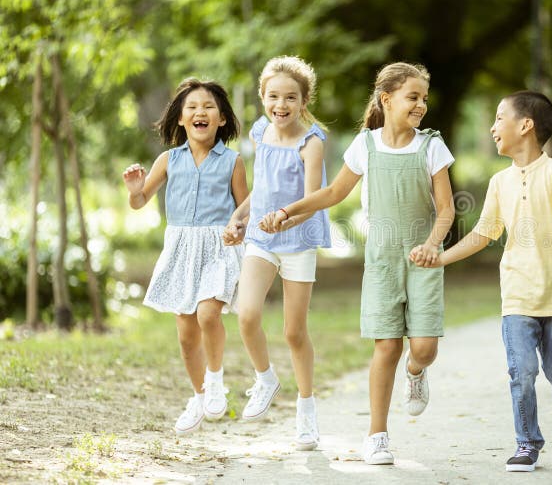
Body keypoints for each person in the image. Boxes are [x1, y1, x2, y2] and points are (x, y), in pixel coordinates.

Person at [261, 62, 455, 465]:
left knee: (424, 347)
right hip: (382, 263)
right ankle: (377, 435)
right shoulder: (364, 146)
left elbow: (447, 210)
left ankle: (416, 374)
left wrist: (432, 245)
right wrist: (288, 210)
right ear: (387, 100)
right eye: (412, 97)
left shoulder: (431, 145)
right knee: (386, 348)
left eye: (423, 98)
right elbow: (332, 193)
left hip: (424, 260)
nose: (421, 105)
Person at [410, 91, 552, 472]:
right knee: (522, 372)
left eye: (499, 118)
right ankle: (527, 441)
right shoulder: (500, 183)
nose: (493, 127)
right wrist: (441, 258)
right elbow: (483, 233)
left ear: (525, 126)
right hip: (516, 296)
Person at [122, 78, 248, 436]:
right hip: (180, 248)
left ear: (221, 119)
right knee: (186, 335)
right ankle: (198, 395)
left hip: (218, 247)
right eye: (192, 107)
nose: (200, 112)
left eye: (208, 106)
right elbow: (139, 201)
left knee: (209, 314)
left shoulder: (233, 161)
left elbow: (245, 209)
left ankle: (216, 379)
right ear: (180, 118)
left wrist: (238, 228)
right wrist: (134, 191)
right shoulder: (168, 159)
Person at [222, 56, 330, 451]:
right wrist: (238, 217)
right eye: (273, 97)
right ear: (262, 98)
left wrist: (283, 221)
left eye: (290, 98)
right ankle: (265, 379)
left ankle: (306, 410)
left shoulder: (312, 141)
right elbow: (261, 189)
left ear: (303, 101)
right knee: (246, 314)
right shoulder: (260, 133)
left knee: (293, 332)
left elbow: (314, 199)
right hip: (262, 239)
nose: (280, 105)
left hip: (298, 240)